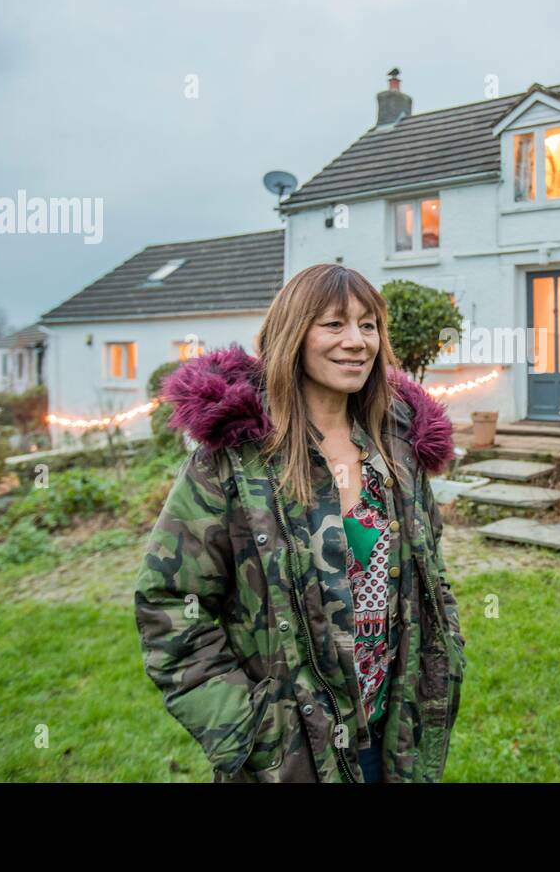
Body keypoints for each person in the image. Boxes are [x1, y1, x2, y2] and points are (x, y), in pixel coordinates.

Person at [133, 263, 467, 782]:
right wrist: (249, 730)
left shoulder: (399, 443)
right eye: (333, 324)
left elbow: (432, 573)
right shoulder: (235, 460)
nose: (357, 342)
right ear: (294, 334)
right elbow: (170, 604)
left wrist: (446, 654)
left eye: (368, 324)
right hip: (290, 755)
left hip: (393, 734)